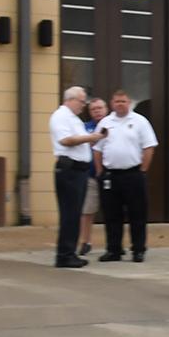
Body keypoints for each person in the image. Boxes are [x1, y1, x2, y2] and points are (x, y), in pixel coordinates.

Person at [94, 89, 158, 263]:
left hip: (133, 175)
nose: (120, 104)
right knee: (111, 215)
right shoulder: (105, 123)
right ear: (112, 103)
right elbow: (97, 150)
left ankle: (138, 250)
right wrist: (100, 171)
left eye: (123, 101)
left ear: (129, 103)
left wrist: (142, 170)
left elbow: (149, 147)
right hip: (110, 176)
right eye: (117, 101)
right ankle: (113, 250)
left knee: (137, 214)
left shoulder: (140, 121)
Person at [48, 86, 105, 268]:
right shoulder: (60, 116)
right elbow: (65, 140)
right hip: (69, 170)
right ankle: (64, 255)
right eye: (82, 102)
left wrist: (91, 138)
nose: (83, 106)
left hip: (77, 170)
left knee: (74, 213)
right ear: (71, 99)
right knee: (70, 214)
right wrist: (90, 137)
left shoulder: (73, 119)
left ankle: (69, 252)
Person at [78, 97, 109, 255]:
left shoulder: (113, 124)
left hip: (111, 174)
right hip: (90, 175)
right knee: (87, 210)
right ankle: (85, 241)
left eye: (99, 108)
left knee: (113, 210)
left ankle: (113, 243)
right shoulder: (85, 128)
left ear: (106, 109)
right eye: (93, 109)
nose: (97, 111)